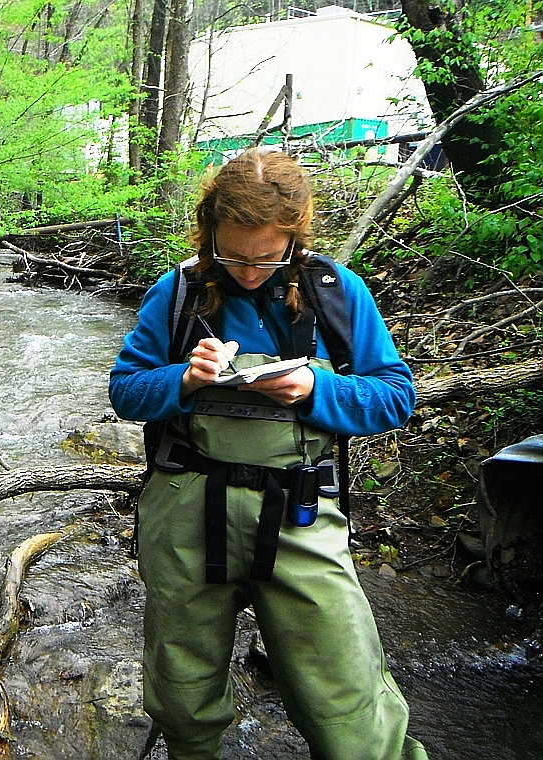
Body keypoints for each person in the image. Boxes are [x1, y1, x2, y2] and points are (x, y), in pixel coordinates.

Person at [108, 148, 428, 760]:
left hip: (301, 512)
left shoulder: (336, 292)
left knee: (346, 693)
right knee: (183, 689)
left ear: (294, 237)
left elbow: (393, 397)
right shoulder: (177, 294)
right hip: (188, 511)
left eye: (266, 257)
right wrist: (185, 380)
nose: (249, 272)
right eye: (232, 255)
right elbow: (126, 391)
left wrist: (317, 389)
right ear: (208, 234)